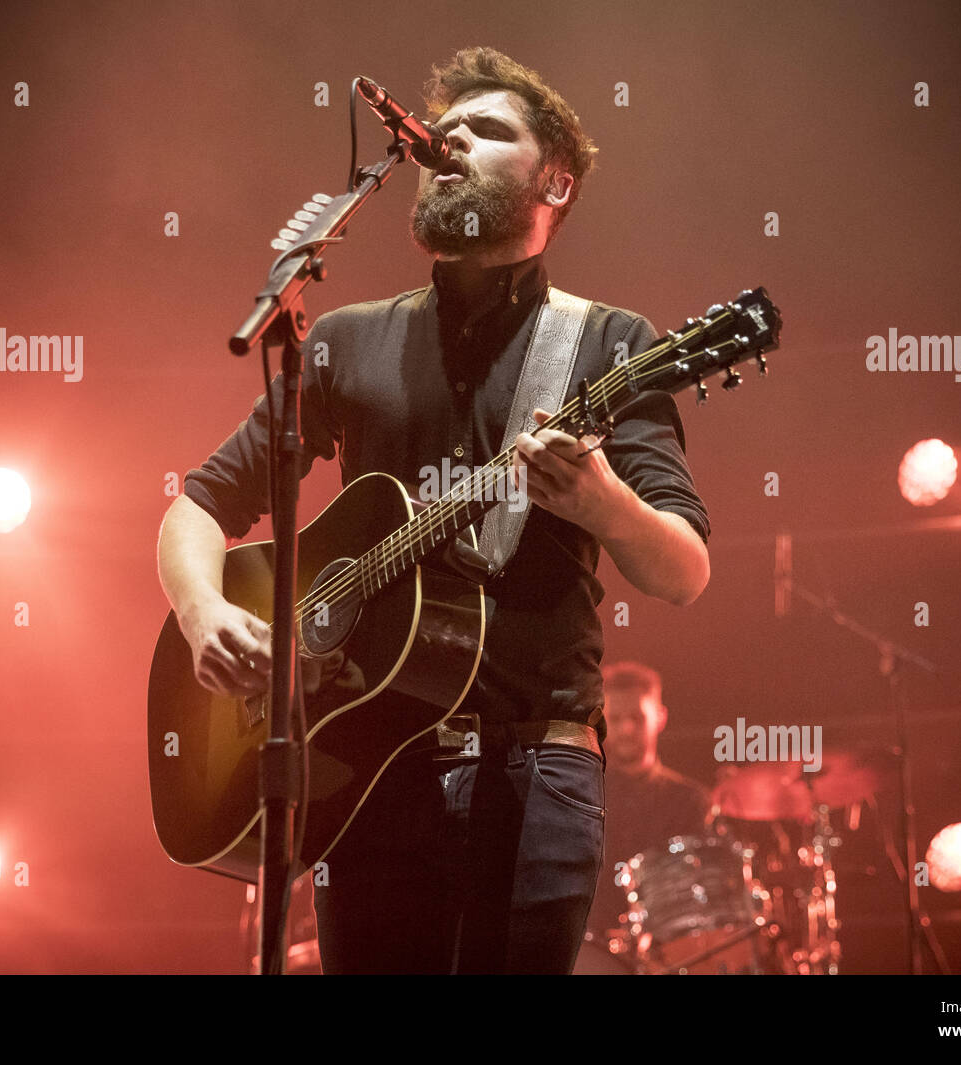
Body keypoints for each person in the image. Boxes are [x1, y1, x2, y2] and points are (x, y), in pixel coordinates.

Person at [156, 46, 711, 974]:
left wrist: (602, 499)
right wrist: (204, 610)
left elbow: (682, 570)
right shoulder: (343, 339)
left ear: (556, 183)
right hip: (362, 774)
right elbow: (201, 505)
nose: (452, 137)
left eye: (489, 130)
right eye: (446, 128)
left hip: (533, 768)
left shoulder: (609, 343)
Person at [583, 661, 714, 963]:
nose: (627, 728)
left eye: (636, 718)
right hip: (593, 952)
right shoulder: (582, 794)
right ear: (601, 721)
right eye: (616, 718)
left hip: (672, 953)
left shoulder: (690, 800)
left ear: (660, 717)